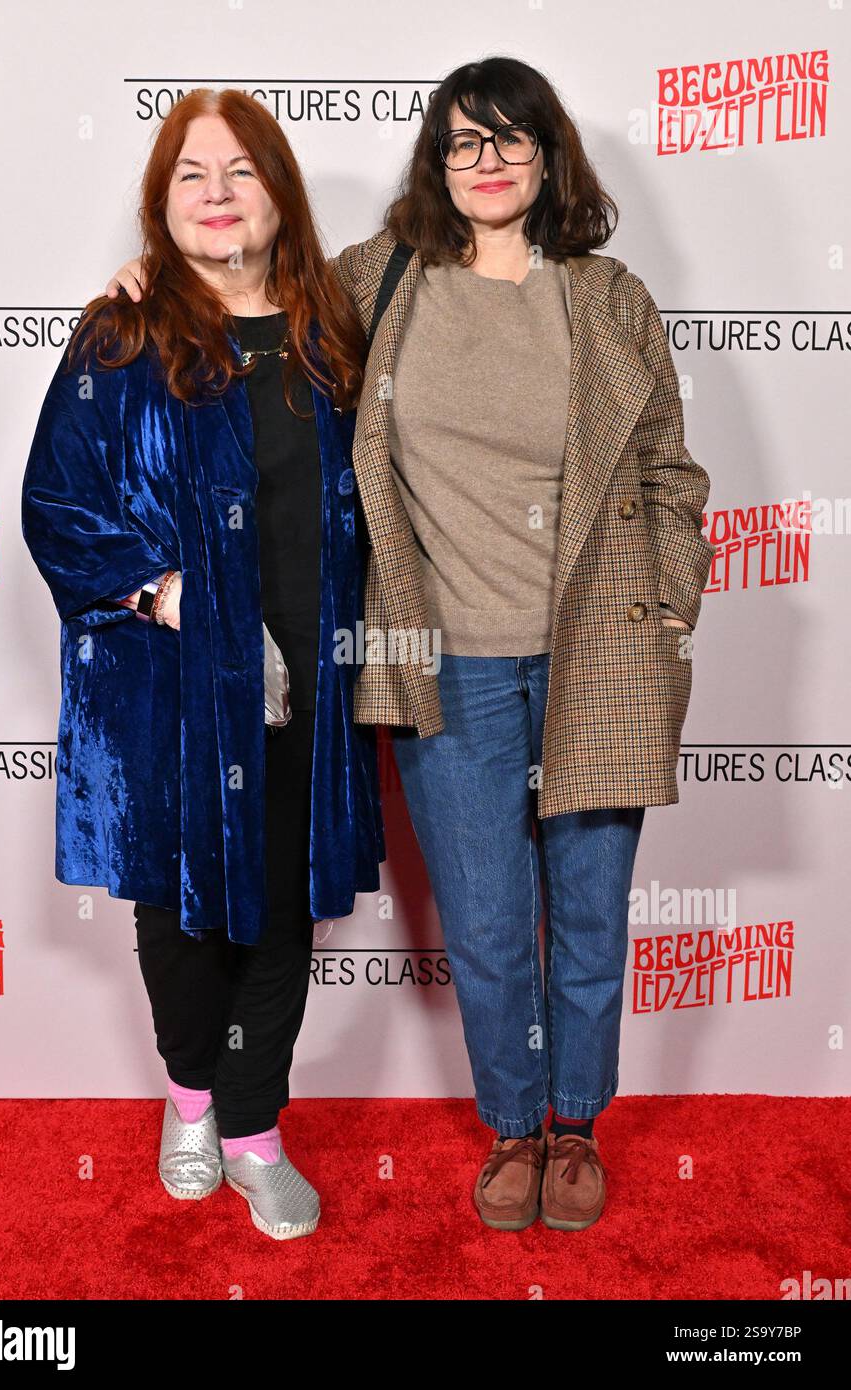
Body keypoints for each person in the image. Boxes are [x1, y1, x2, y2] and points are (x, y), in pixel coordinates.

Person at [103, 57, 715, 1235]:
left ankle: (576, 1122)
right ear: (437, 163)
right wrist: (153, 278)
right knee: (485, 921)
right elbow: (247, 299)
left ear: (549, 159)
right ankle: (512, 1124)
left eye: (511, 141)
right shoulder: (377, 282)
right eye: (462, 144)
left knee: (588, 909)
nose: (487, 164)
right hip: (445, 663)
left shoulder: (609, 295)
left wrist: (676, 603)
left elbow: (668, 470)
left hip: (600, 649)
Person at [22, 87, 383, 1242]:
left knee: (278, 915)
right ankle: (189, 1103)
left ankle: (253, 1129)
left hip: (307, 690)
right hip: (170, 688)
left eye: (241, 171)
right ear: (160, 205)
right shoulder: (121, 335)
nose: (218, 194)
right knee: (182, 914)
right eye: (192, 174)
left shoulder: (338, 332)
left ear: (279, 194)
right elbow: (54, 502)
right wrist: (158, 589)